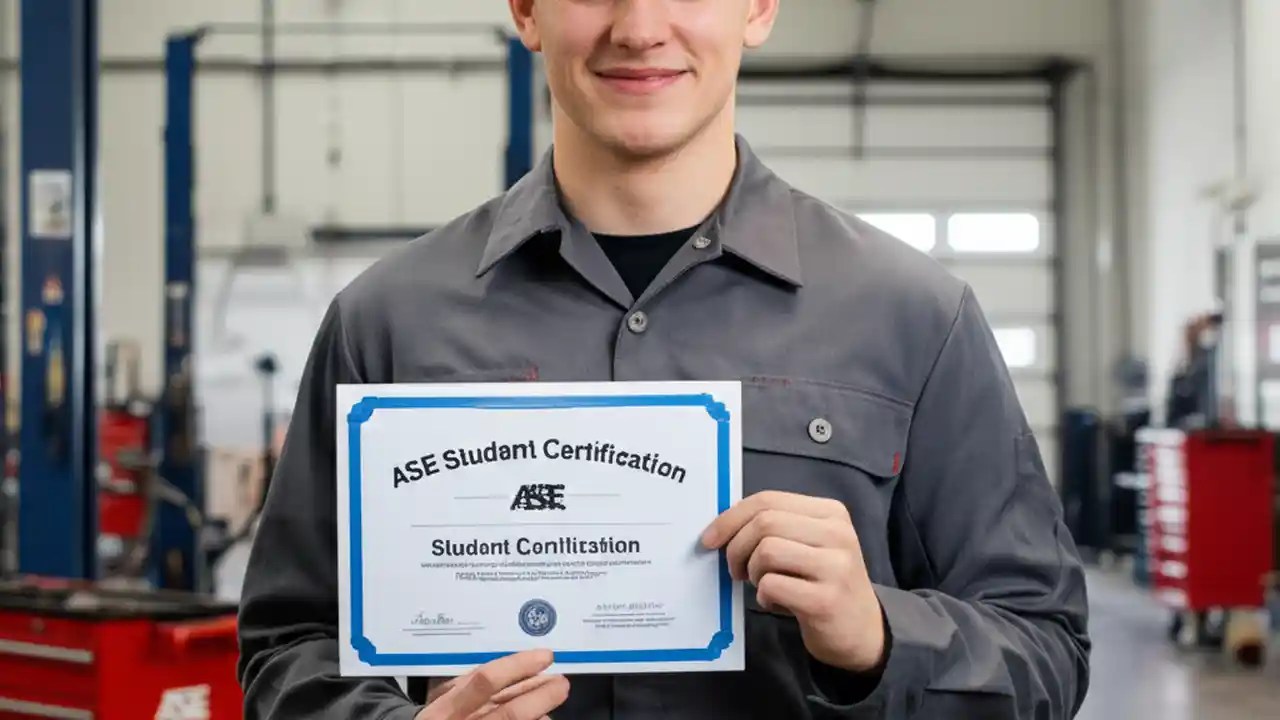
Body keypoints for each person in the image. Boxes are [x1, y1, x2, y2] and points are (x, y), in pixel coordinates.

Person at [236, 1, 1091, 718]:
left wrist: (875, 637)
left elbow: (1045, 650)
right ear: (527, 10)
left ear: (757, 6)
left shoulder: (913, 318)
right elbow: (289, 645)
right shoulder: (388, 322)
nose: (640, 28)